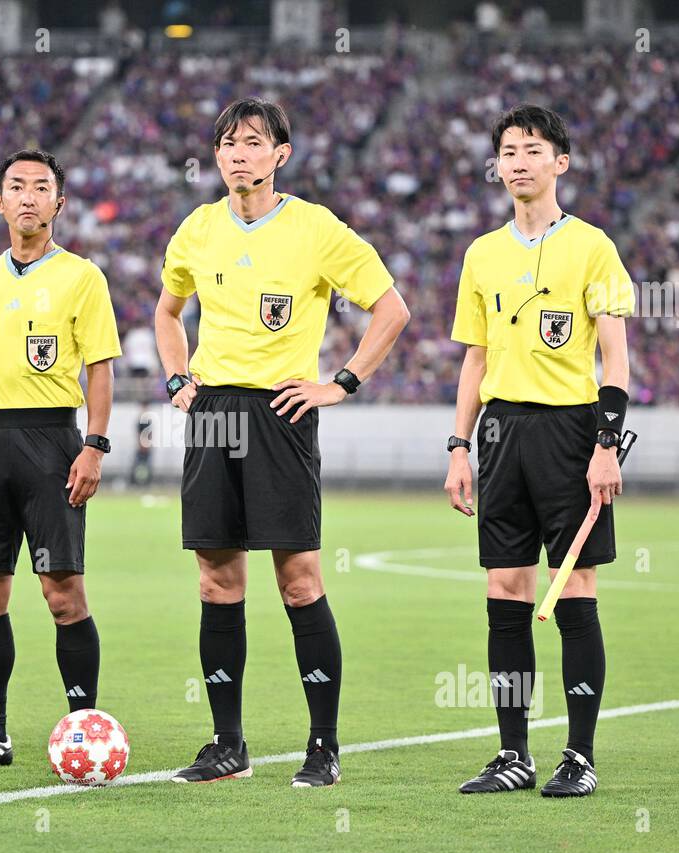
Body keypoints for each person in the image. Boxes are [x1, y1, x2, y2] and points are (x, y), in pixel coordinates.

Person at [154, 97, 410, 787]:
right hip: (212, 414)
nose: (240, 153)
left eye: (254, 142)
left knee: (298, 581)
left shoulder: (317, 230)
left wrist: (342, 382)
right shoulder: (198, 230)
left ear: (280, 155)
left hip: (281, 411)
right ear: (216, 156)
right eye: (228, 143)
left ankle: (322, 747)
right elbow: (167, 310)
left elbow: (392, 308)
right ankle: (226, 745)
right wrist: (177, 374)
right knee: (216, 579)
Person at [444, 105, 634, 797]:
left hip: (571, 433)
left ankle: (578, 756)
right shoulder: (481, 254)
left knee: (575, 591)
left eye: (532, 149)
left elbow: (614, 359)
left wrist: (607, 445)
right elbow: (473, 359)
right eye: (507, 151)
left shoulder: (593, 246)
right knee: (505, 592)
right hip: (500, 434)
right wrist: (459, 446)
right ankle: (512, 753)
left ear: (562, 161)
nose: (517, 161)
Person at [0, 149, 121, 769]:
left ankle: (82, 727)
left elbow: (100, 370)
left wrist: (93, 446)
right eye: (18, 187)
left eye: (42, 187)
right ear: (0, 203)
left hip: (52, 443)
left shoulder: (83, 278)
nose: (30, 197)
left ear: (59, 203)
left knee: (63, 593)